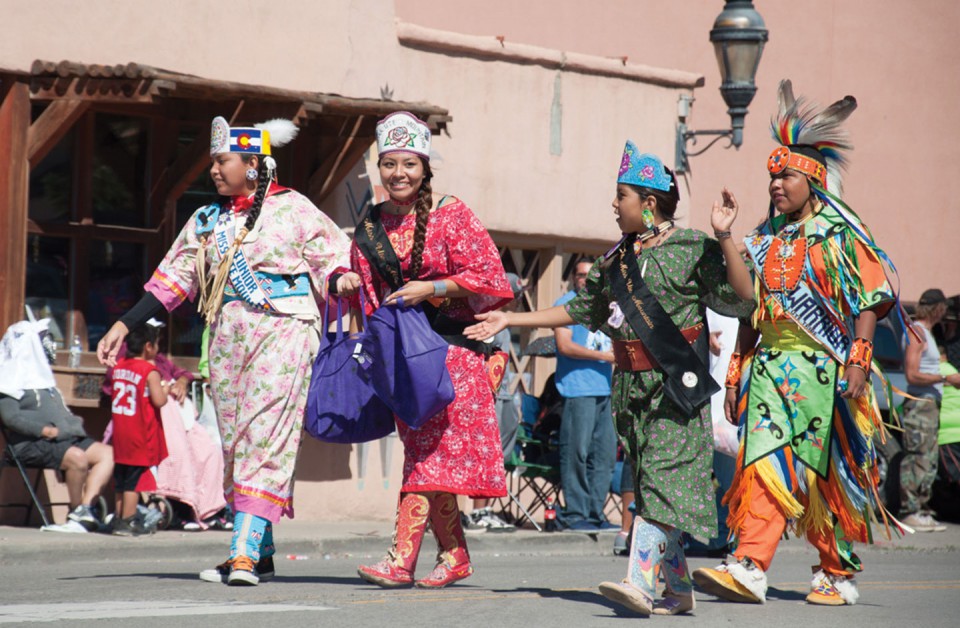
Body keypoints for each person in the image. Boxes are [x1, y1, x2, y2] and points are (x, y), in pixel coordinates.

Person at [466, 145, 755, 615]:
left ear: (649, 201)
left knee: (663, 484)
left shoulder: (692, 248)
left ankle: (640, 581)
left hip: (674, 390)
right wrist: (510, 320)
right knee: (650, 487)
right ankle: (679, 590)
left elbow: (741, 299)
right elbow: (580, 310)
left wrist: (724, 236)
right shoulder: (616, 260)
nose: (613, 205)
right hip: (630, 390)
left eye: (620, 195)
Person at [97, 116, 351, 583]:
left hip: (284, 332)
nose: (214, 170)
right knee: (235, 442)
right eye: (212, 162)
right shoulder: (206, 221)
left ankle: (242, 555)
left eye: (223, 160)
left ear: (254, 165)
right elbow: (172, 281)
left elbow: (331, 258)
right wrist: (121, 323)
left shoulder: (294, 208)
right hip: (229, 339)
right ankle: (262, 550)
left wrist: (341, 278)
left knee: (263, 436)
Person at [692, 80, 909, 607]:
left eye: (785, 175)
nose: (775, 184)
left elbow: (868, 299)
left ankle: (835, 569)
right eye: (771, 175)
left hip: (825, 368)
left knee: (822, 475)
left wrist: (858, 358)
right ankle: (748, 564)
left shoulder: (840, 235)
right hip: (770, 366)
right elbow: (749, 306)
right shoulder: (766, 240)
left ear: (812, 179)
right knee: (761, 462)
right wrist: (740, 364)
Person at [340, 111, 514, 589]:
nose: (399, 174)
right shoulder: (370, 225)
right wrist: (346, 280)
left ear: (424, 167)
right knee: (428, 457)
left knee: (424, 458)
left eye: (409, 164)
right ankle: (455, 556)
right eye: (389, 164)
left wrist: (431, 288)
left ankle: (401, 560)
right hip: (404, 359)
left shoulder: (451, 214)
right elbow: (367, 298)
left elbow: (491, 279)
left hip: (450, 357)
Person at [0, 319, 114, 532]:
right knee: (77, 458)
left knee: (107, 454)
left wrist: (72, 423)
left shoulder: (43, 379)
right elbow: (11, 419)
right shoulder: (9, 380)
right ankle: (75, 512)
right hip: (31, 443)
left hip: (64, 437)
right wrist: (44, 430)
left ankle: (85, 509)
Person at [552, 257, 617, 532]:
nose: (584, 279)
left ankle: (594, 512)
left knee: (604, 455)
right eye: (579, 275)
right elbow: (564, 346)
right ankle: (576, 512)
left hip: (606, 389)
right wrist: (604, 356)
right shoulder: (565, 304)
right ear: (573, 278)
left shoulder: (604, 306)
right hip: (579, 388)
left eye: (590, 275)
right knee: (576, 451)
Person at [465, 272, 525, 533]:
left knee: (495, 455)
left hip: (501, 395)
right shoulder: (486, 318)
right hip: (490, 396)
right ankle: (479, 512)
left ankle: (482, 510)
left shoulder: (498, 318)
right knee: (486, 454)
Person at [899, 289, 960, 531]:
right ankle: (910, 510)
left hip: (930, 404)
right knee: (918, 456)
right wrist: (945, 379)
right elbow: (911, 373)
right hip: (920, 403)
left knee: (928, 457)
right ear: (938, 309)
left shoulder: (928, 333)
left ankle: (921, 509)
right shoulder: (917, 332)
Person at [108, 322, 169, 536]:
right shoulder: (150, 371)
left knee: (121, 479)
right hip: (139, 433)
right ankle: (127, 520)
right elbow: (159, 401)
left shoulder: (119, 367)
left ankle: (117, 517)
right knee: (133, 483)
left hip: (121, 431)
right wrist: (165, 388)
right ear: (148, 346)